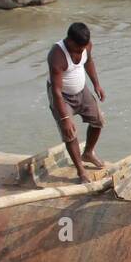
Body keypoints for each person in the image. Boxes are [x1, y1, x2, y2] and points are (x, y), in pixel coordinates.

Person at [47, 22, 106, 182]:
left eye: (84, 47)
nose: (82, 50)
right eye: (79, 48)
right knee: (70, 133)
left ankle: (88, 153)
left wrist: (96, 85)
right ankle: (81, 171)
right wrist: (65, 119)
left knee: (98, 121)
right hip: (62, 96)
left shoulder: (86, 46)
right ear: (70, 41)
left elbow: (88, 62)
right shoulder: (57, 55)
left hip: (82, 91)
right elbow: (56, 91)